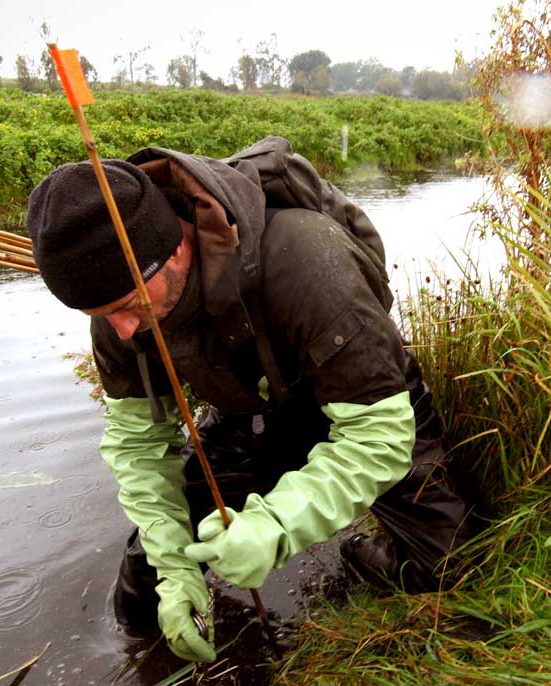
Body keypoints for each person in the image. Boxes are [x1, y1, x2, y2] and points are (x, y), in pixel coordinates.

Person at [25, 137, 477, 663]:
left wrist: (275, 526)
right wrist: (174, 569)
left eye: (129, 306)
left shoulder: (305, 256)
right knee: (142, 594)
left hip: (363, 401)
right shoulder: (120, 321)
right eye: (104, 315)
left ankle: (360, 549)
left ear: (174, 247)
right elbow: (139, 448)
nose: (123, 331)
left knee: (449, 568)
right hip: (250, 414)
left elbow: (378, 436)